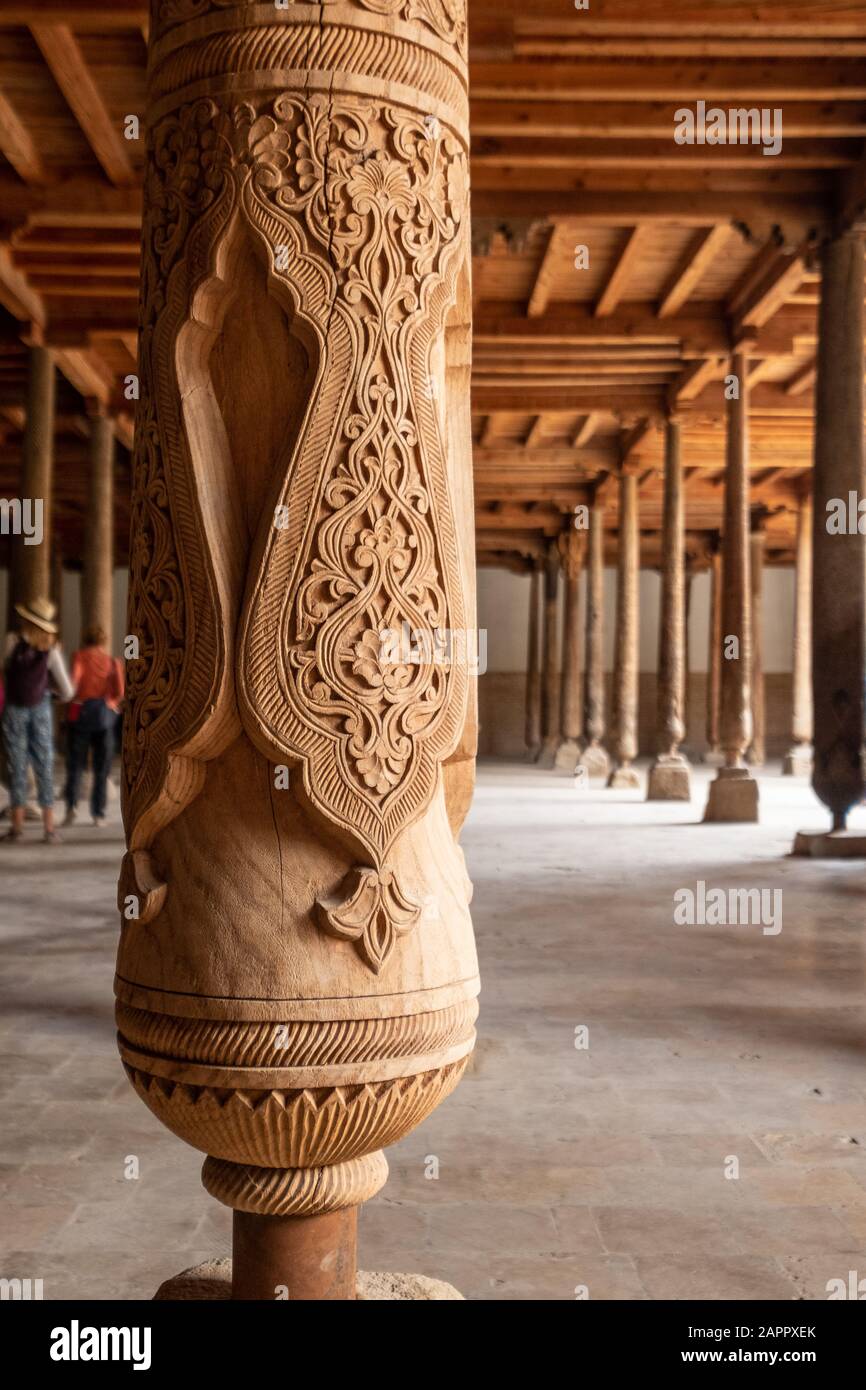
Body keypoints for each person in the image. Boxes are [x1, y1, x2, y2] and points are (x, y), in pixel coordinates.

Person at [1, 597, 74, 845]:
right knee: (44, 766)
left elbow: (4, 667)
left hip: (14, 710)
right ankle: (49, 829)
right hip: (41, 709)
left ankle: (17, 829)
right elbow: (68, 691)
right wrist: (50, 693)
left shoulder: (12, 641)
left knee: (17, 767)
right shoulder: (51, 649)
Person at [64, 625, 124, 828]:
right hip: (104, 718)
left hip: (81, 715)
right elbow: (120, 692)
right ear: (104, 640)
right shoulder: (112, 662)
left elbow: (73, 682)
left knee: (76, 764)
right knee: (102, 767)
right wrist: (110, 705)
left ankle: (71, 808)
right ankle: (98, 814)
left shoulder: (79, 657)